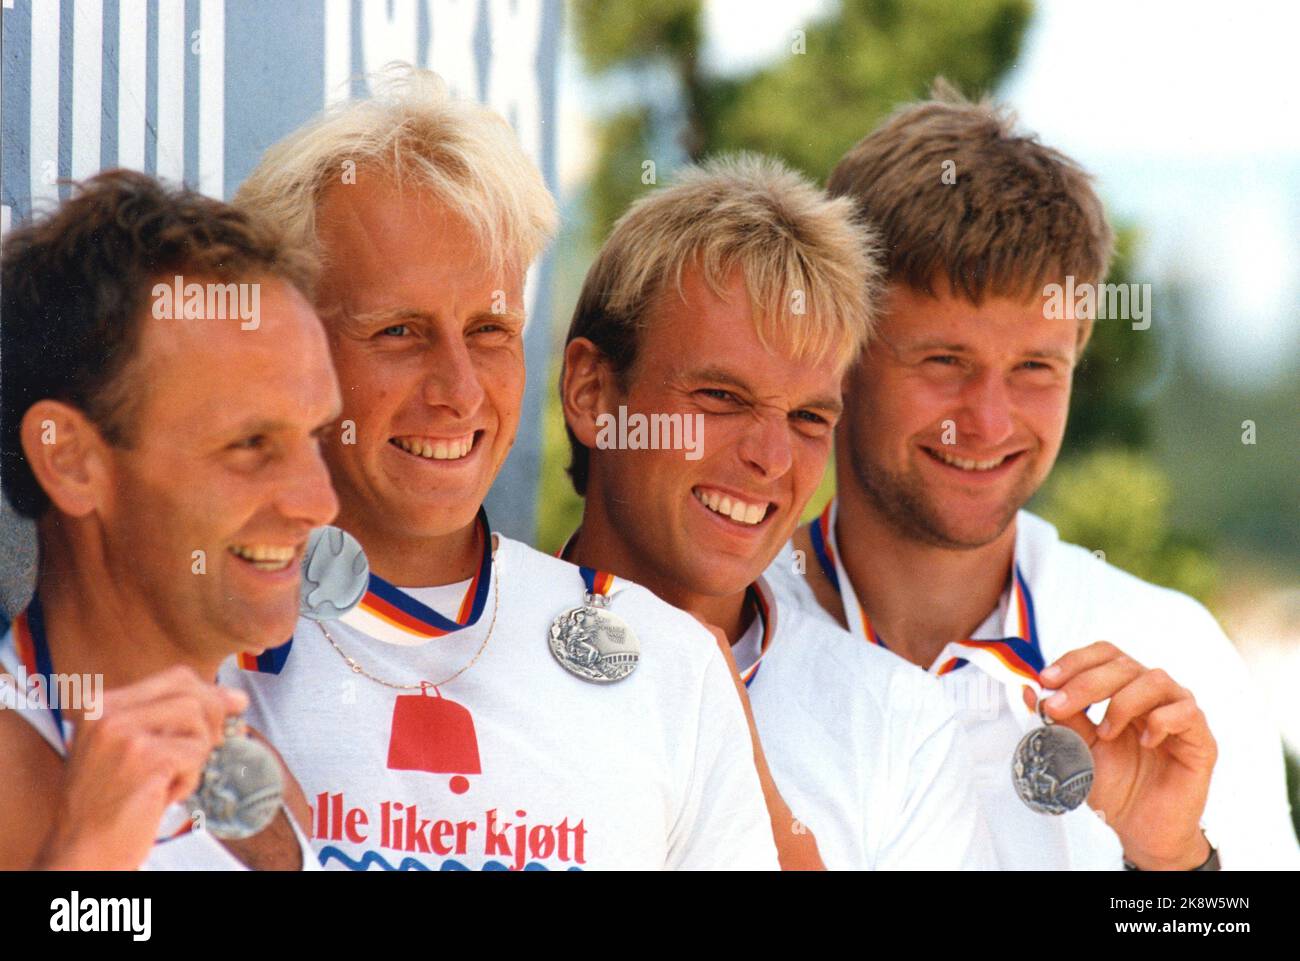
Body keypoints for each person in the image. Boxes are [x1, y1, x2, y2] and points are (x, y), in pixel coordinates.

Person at [221, 67, 778, 871]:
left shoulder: (669, 666)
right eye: (399, 331)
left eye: (490, 329)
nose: (458, 390)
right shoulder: (183, 644)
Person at [770, 81, 1299, 869]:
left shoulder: (1174, 656)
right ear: (841, 355)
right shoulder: (725, 641)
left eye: (1035, 367)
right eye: (944, 360)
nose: (989, 421)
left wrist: (1174, 864)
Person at [558, 153, 995, 869]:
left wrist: (753, 788)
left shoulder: (901, 727)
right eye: (721, 398)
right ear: (594, 393)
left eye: (808, 418)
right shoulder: (452, 652)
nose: (771, 458)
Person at [0, 170, 336, 870]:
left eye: (314, 436)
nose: (318, 501)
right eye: (250, 443)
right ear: (70, 461)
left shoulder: (256, 778)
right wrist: (87, 860)